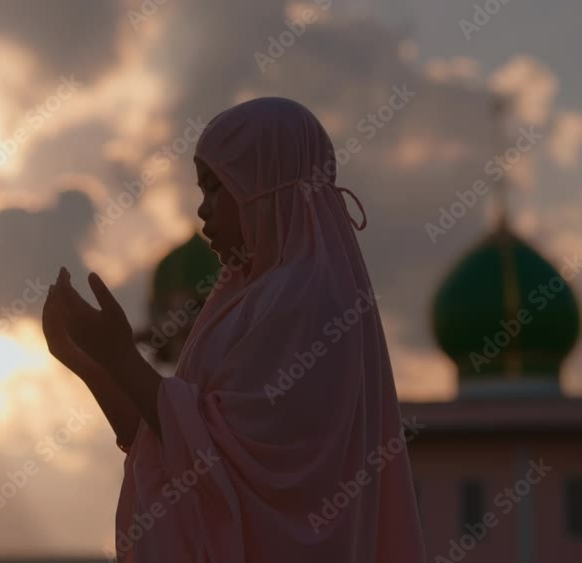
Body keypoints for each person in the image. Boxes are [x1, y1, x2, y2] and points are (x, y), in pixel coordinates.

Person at [42, 97, 426, 562]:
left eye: (216, 188)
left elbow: (216, 468)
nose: (203, 210)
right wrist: (92, 364)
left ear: (261, 185)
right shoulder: (246, 297)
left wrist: (122, 356)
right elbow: (175, 448)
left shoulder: (303, 297)